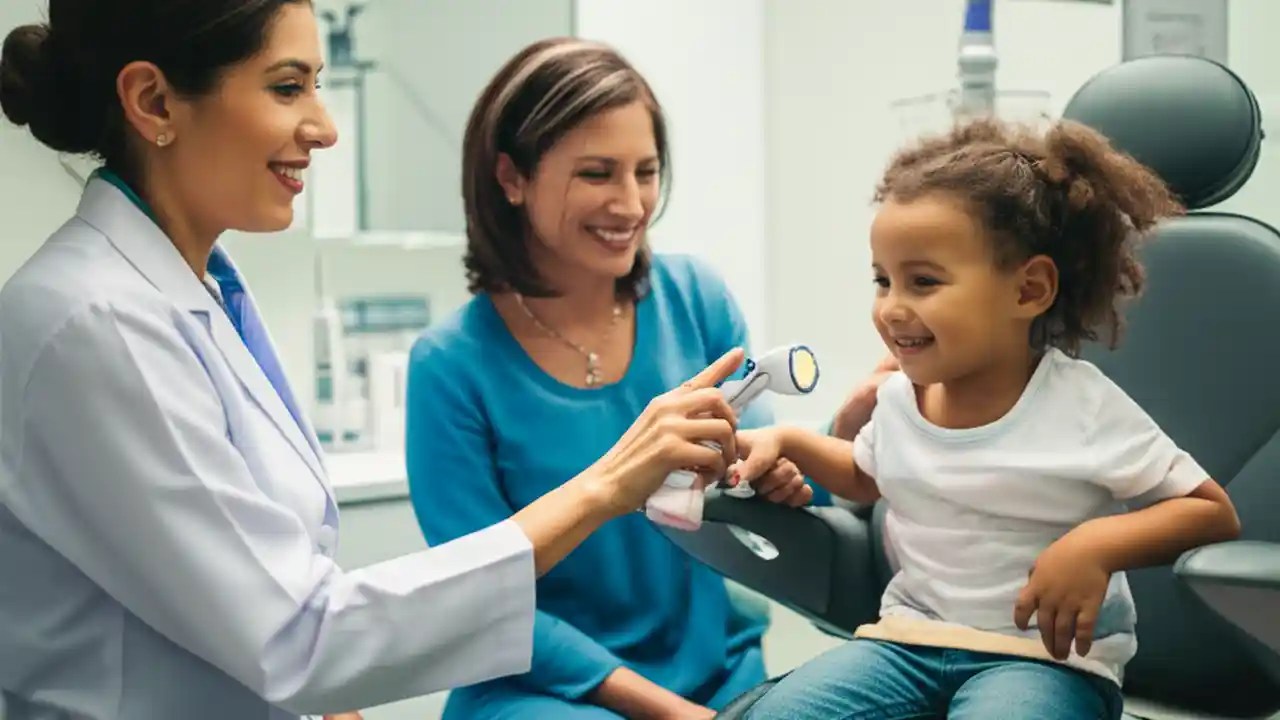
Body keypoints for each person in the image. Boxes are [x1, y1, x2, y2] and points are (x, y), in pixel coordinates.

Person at [0, 4, 753, 719]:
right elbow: (301, 637)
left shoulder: (202, 294)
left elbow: (268, 598)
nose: (326, 128)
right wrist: (605, 487)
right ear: (154, 102)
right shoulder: (94, 324)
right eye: (287, 87)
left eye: (317, 86)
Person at [731, 118, 1243, 720]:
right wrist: (788, 440)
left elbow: (1210, 512)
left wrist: (1094, 546)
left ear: (1029, 290)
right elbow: (867, 478)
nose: (891, 308)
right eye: (883, 280)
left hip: (1044, 662)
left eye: (923, 282)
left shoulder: (1079, 405)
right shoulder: (899, 397)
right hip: (907, 642)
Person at [403, 37, 831, 720]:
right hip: (544, 693)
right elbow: (480, 599)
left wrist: (811, 457)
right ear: (511, 177)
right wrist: (670, 713)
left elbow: (752, 492)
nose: (631, 204)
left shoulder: (697, 300)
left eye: (646, 172)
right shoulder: (451, 367)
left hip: (719, 671)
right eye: (597, 173)